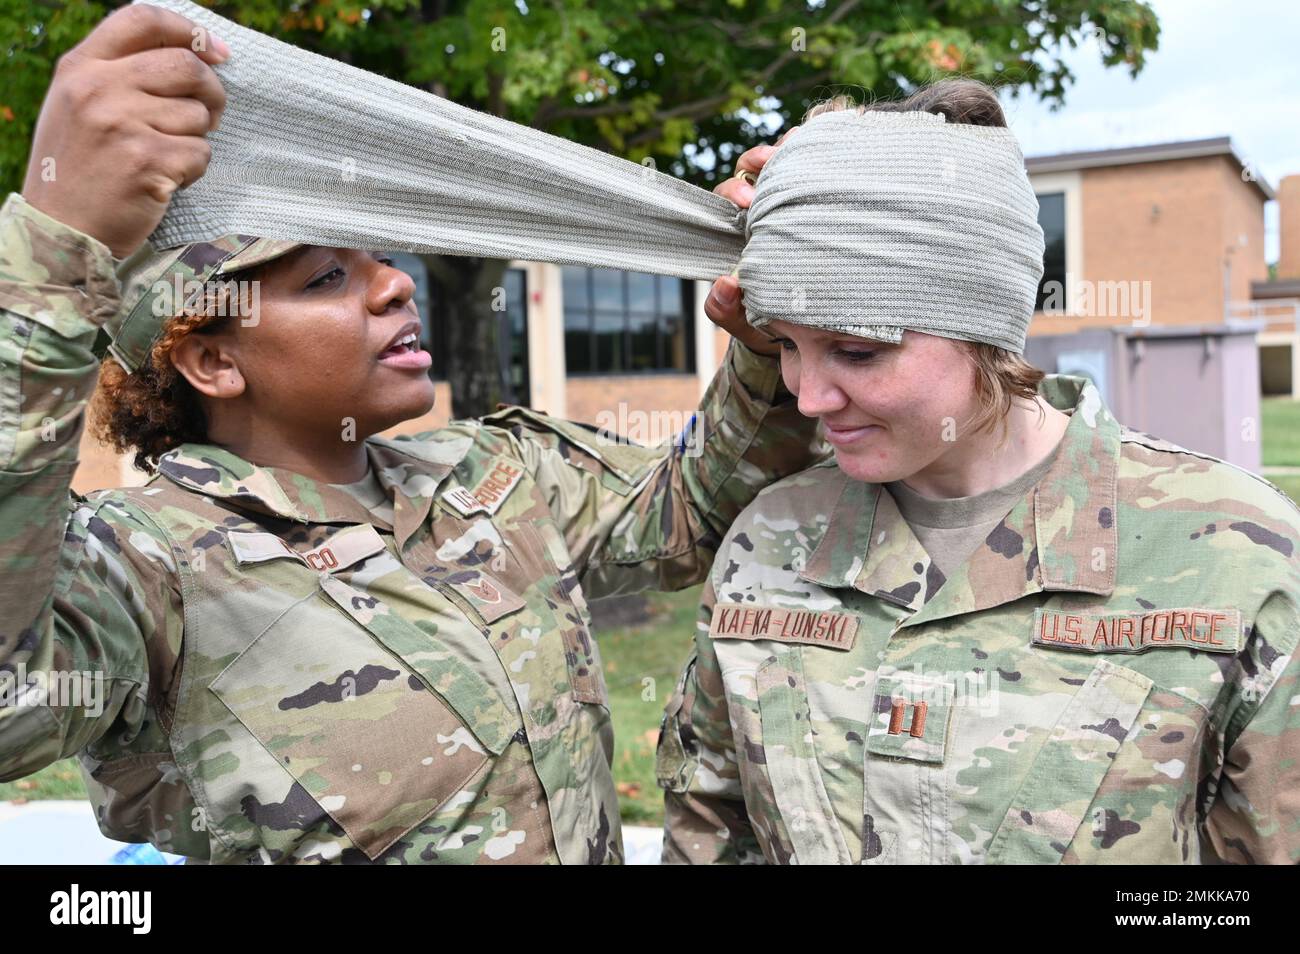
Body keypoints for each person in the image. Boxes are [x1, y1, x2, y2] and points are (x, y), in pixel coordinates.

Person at [0, 4, 826, 864]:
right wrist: (52, 256)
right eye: (327, 276)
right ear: (212, 361)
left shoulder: (492, 470)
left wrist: (766, 341)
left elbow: (691, 511)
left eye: (383, 259)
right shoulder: (146, 564)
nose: (396, 285)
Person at [656, 79, 1300, 865]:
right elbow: (713, 835)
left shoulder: (1234, 554)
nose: (807, 394)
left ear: (986, 322)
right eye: (786, 345)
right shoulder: (768, 544)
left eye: (856, 351)